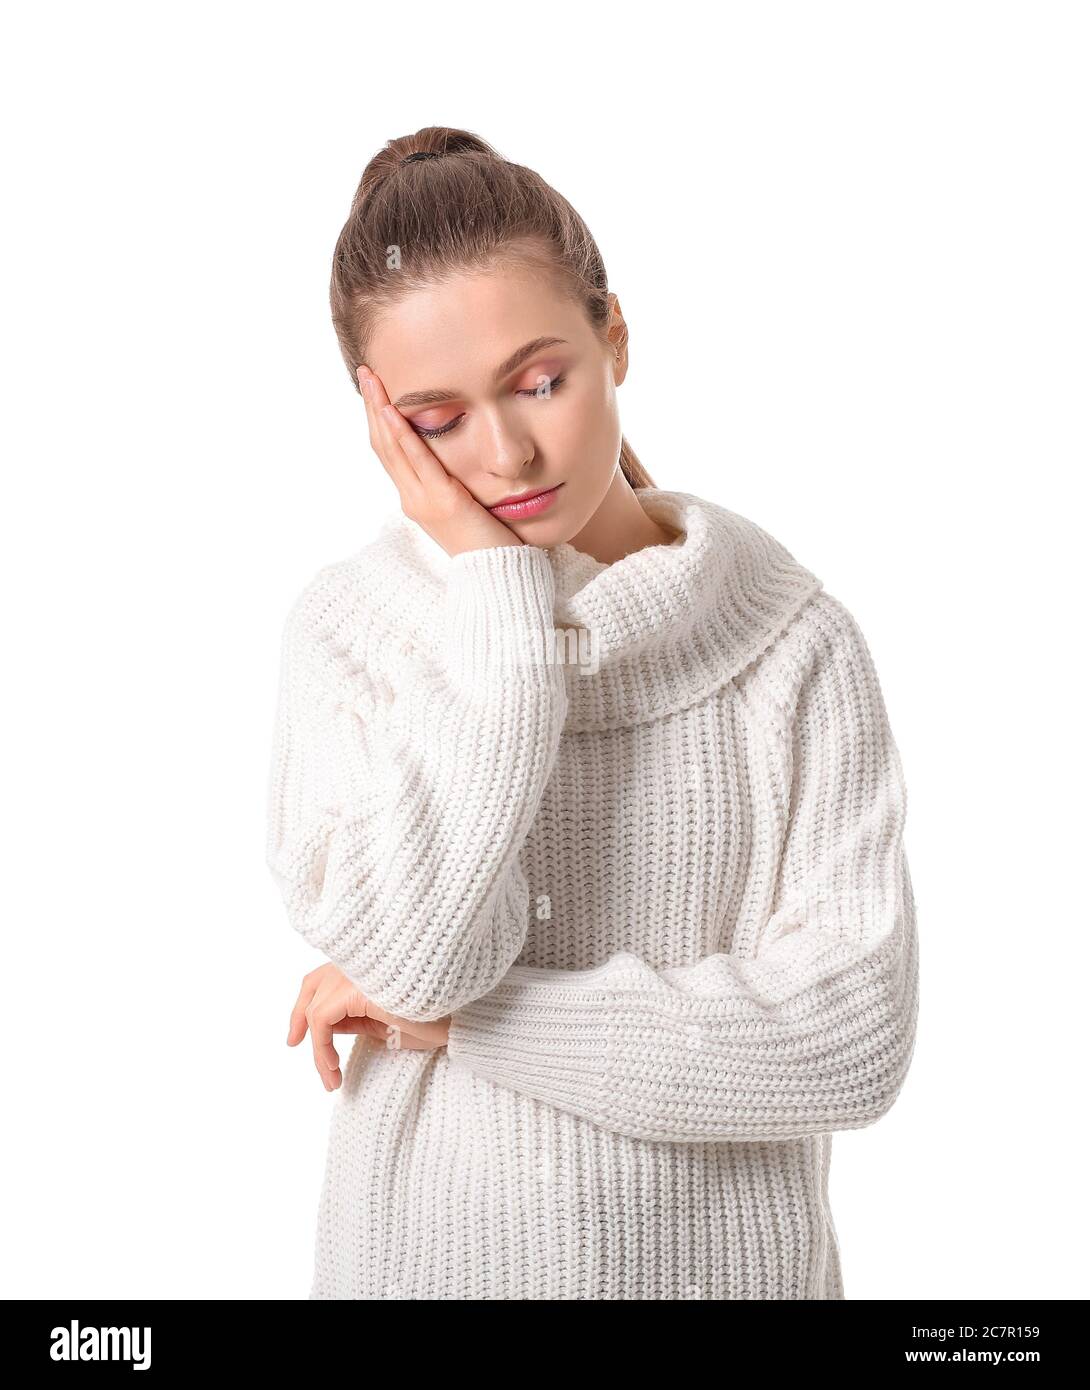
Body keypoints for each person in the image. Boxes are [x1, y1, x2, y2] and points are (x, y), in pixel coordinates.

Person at [265, 126, 919, 1301]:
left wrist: (471, 1026)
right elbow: (423, 954)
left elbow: (846, 1041)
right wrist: (500, 598)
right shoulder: (351, 636)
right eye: (437, 419)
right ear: (380, 427)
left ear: (612, 337)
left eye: (538, 381)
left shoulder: (788, 646)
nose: (506, 450)